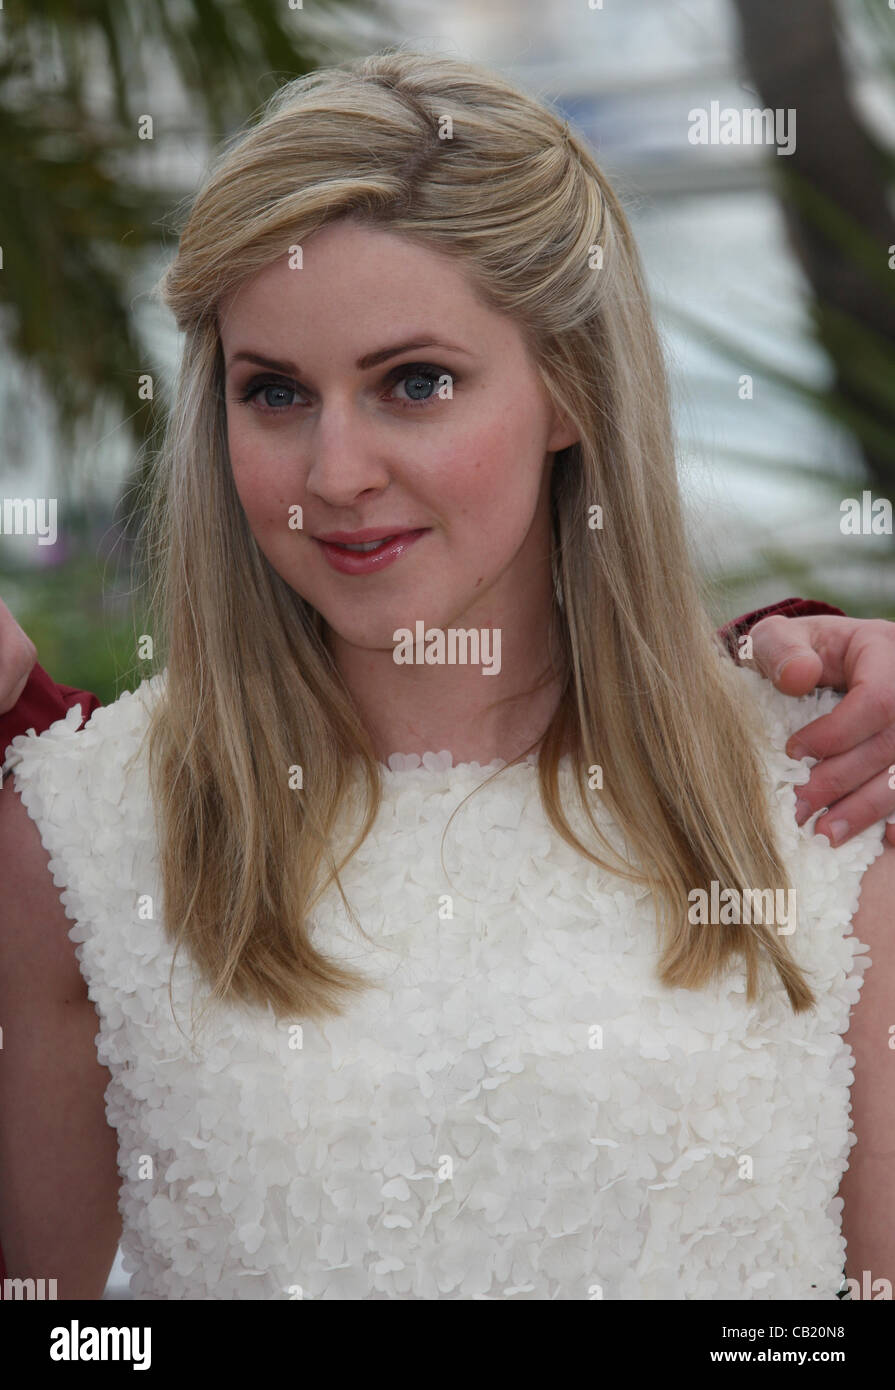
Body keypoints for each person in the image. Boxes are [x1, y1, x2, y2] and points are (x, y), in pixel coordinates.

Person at [1, 48, 893, 1302]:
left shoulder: (827, 787)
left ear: (571, 388)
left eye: (414, 383)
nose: (336, 471)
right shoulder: (79, 831)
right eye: (274, 393)